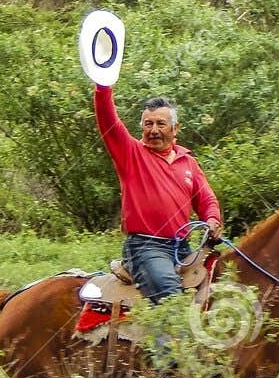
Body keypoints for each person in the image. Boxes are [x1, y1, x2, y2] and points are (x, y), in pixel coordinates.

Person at [92, 86, 224, 304]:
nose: (154, 130)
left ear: (175, 128)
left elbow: (207, 199)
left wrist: (212, 220)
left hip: (183, 247)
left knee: (219, 287)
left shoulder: (188, 161)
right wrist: (103, 86)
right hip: (146, 247)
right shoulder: (131, 153)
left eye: (161, 124)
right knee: (173, 302)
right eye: (148, 124)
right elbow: (109, 121)